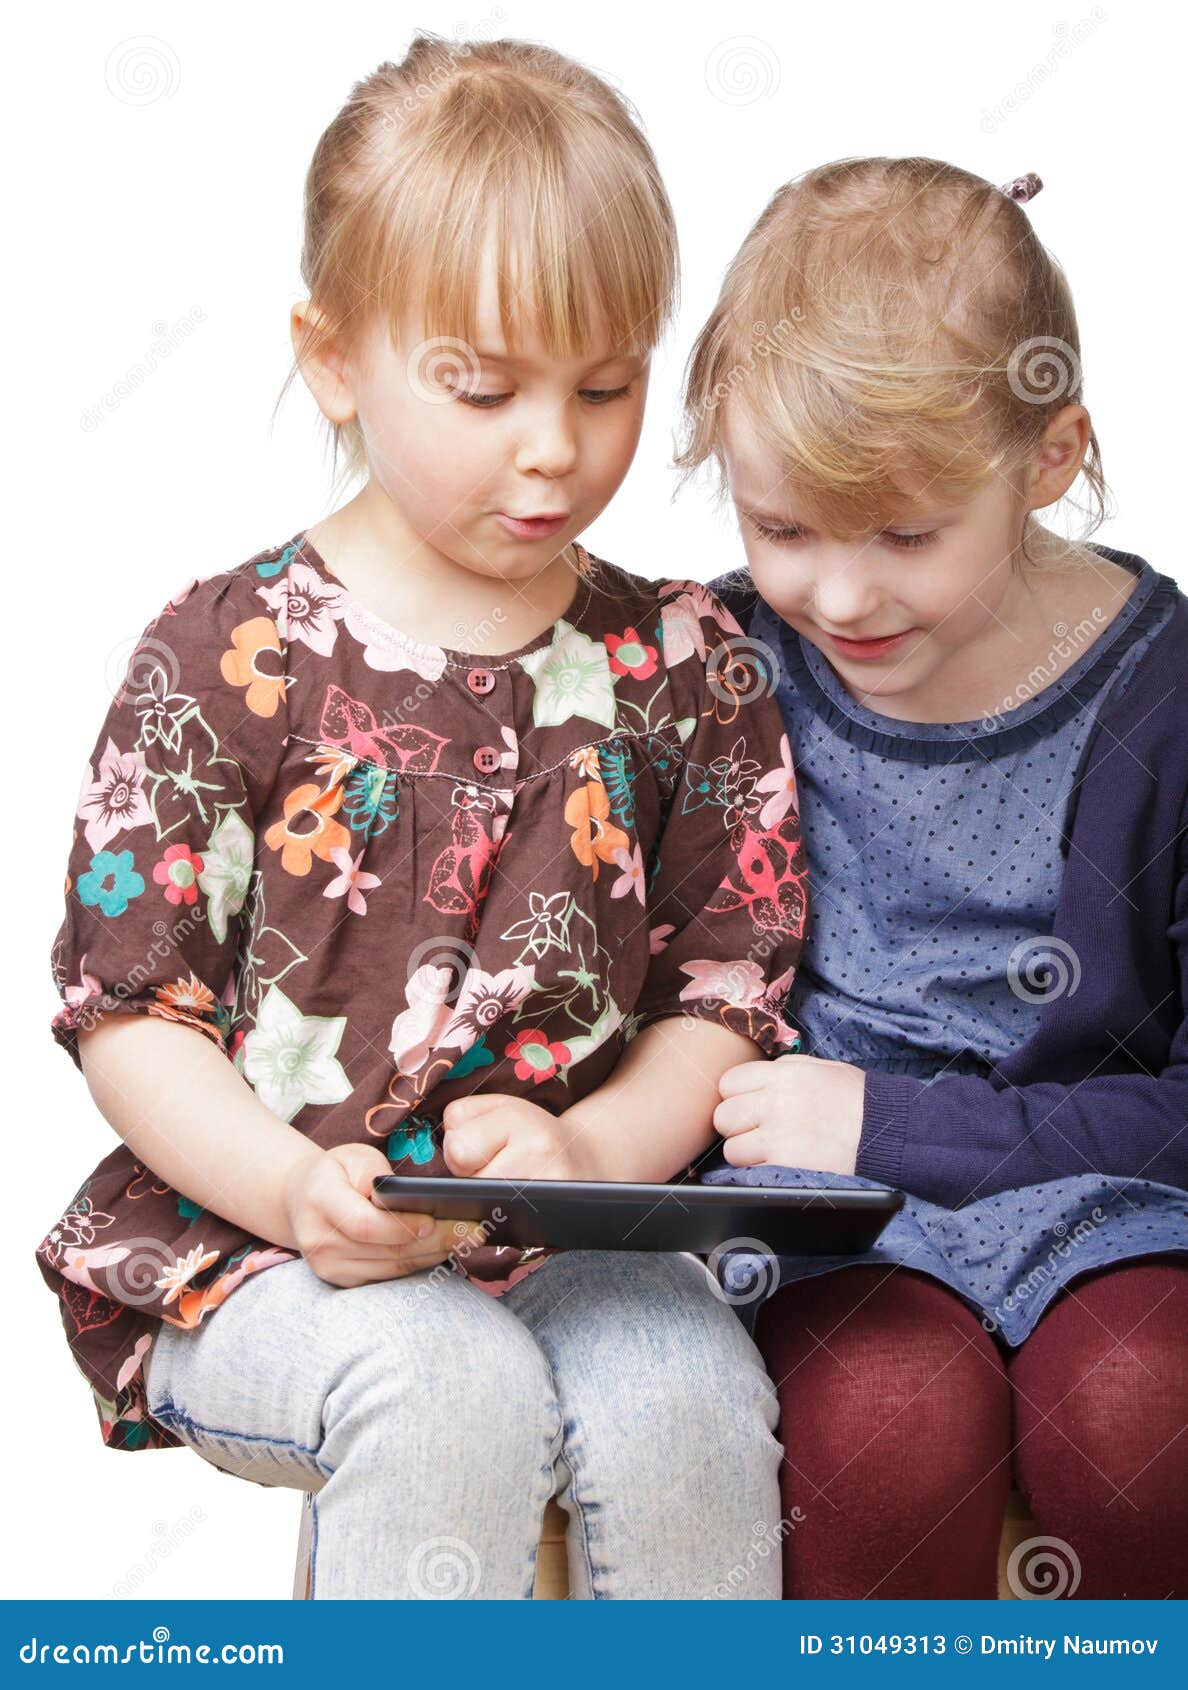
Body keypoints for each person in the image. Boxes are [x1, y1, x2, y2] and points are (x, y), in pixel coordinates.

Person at [36, 35, 808, 1600]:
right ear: (335, 359)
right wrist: (286, 1184)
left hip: (579, 1238)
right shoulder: (224, 657)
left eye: (606, 384)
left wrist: (587, 1145)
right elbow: (132, 1012)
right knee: (442, 1389)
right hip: (253, 1246)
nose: (554, 444)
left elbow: (725, 995)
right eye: (484, 387)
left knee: (689, 1405)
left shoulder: (682, 663)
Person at [678, 155, 1188, 1599]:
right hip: (824, 1228)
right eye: (780, 529)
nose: (838, 596)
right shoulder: (721, 667)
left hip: (1115, 1199)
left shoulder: (1168, 697)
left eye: (905, 534)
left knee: (1144, 1418)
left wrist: (892, 1121)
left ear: (1053, 455)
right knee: (886, 1431)